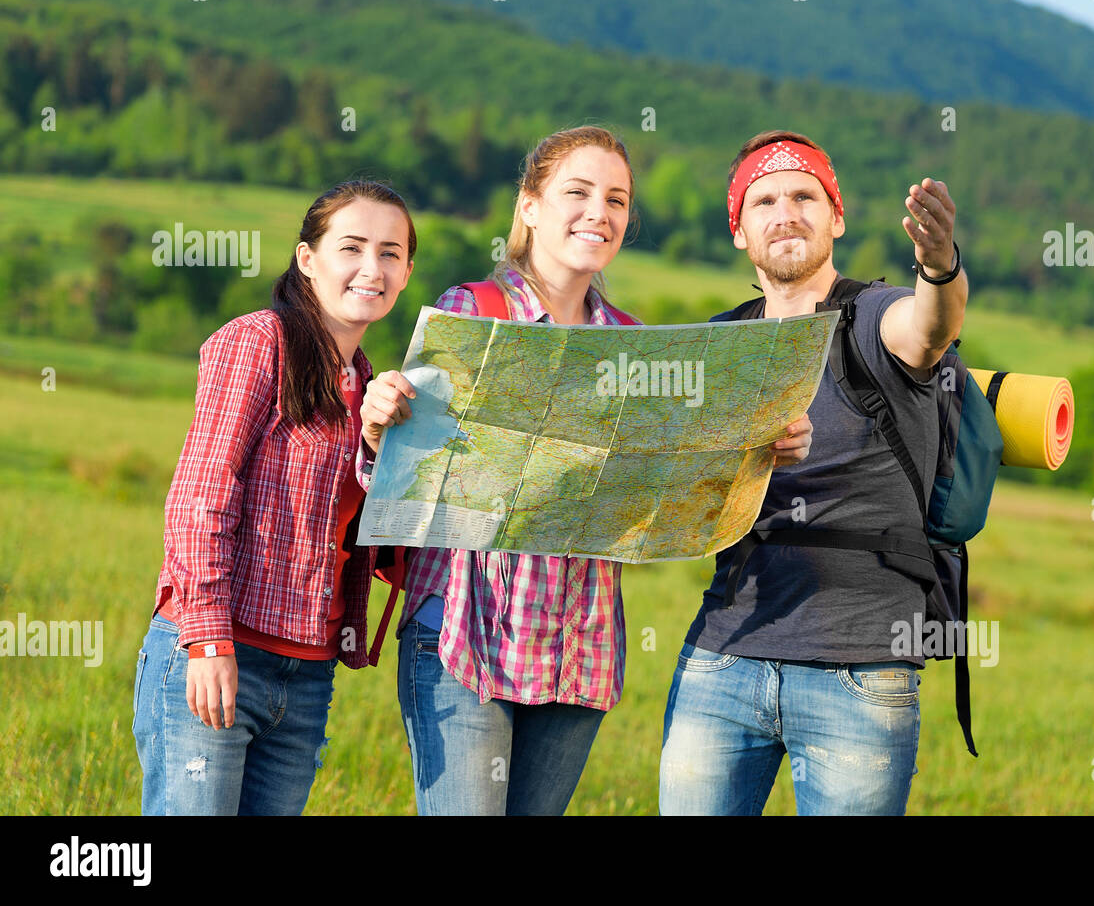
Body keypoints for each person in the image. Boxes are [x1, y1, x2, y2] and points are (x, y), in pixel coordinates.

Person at [359, 125, 813, 815]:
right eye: (577, 192)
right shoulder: (474, 312)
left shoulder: (631, 345)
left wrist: (762, 443)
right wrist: (377, 426)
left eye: (616, 199)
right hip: (462, 633)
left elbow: (665, 491)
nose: (598, 212)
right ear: (531, 206)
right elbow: (410, 478)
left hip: (579, 646)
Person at [658, 130, 968, 815]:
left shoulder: (874, 317)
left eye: (805, 195)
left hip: (859, 672)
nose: (786, 211)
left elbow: (929, 329)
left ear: (838, 217)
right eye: (764, 200)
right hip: (722, 655)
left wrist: (940, 266)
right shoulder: (721, 342)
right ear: (740, 230)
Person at [132, 180, 416, 815]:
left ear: (407, 272)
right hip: (221, 650)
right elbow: (203, 491)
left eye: (391, 252)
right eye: (352, 247)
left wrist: (374, 441)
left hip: (309, 674)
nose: (373, 268)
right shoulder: (260, 341)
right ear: (307, 259)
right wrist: (207, 640)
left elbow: (362, 524)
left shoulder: (371, 383)